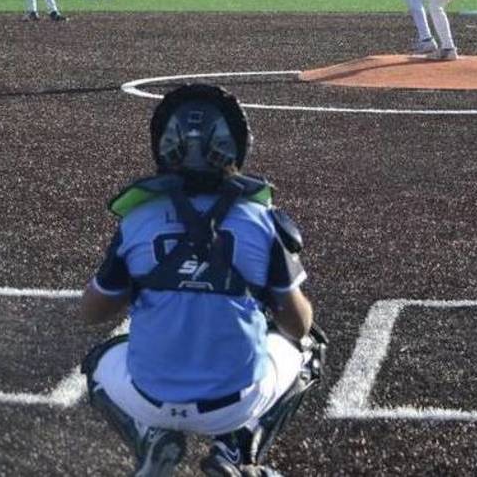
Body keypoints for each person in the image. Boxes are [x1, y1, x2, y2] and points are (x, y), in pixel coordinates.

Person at [80, 83, 328, 477]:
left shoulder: (136, 220)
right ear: (235, 147)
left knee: (98, 362)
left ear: (164, 147)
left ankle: (150, 437)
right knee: (311, 346)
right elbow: (298, 324)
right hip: (234, 404)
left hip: (147, 397)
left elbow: (92, 311)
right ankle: (238, 451)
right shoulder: (261, 221)